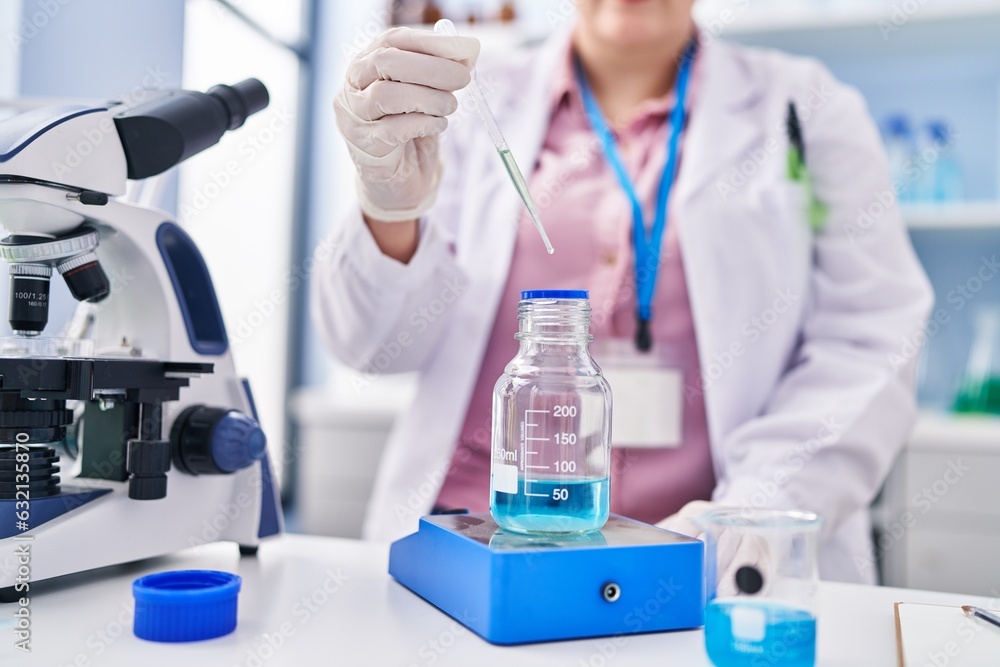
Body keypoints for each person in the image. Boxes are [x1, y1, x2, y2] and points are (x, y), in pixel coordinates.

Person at [312, 0, 933, 583]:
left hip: (692, 560)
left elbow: (871, 335)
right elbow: (375, 350)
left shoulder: (806, 105)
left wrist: (754, 510)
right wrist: (389, 206)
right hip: (470, 549)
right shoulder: (473, 103)